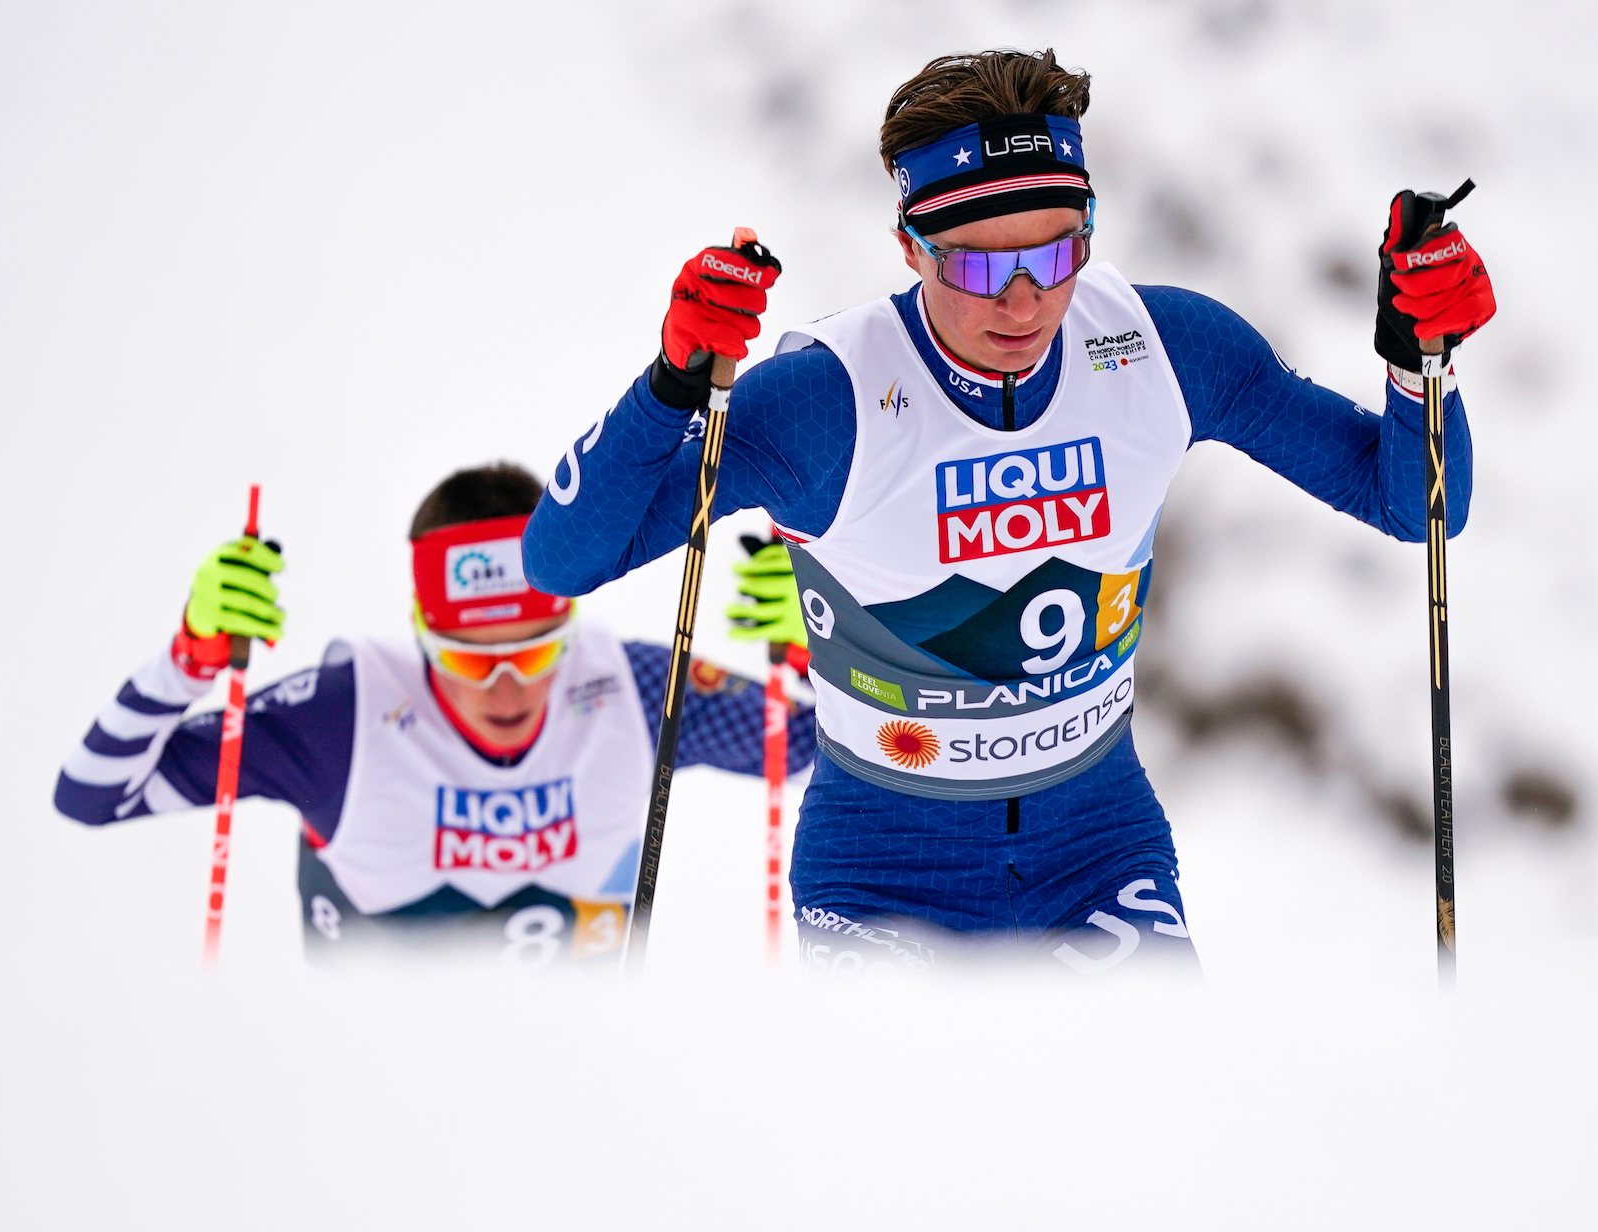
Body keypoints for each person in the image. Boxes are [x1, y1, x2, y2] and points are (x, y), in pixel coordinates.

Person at [521, 49, 1493, 978]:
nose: (1025, 303)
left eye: (1057, 254)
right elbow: (561, 558)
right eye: (981, 269)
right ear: (910, 246)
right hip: (884, 872)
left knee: (1163, 1094)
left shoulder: (1164, 348)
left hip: (1099, 852)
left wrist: (1420, 359)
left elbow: (1412, 507)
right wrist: (672, 384)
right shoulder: (828, 403)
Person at [55, 462, 817, 971]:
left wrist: (821, 635)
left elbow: (820, 745)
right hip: (378, 1095)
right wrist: (189, 656)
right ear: (422, 633)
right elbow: (94, 793)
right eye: (469, 660)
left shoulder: (630, 687)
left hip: (574, 1085)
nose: (506, 689)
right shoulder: (344, 712)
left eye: (537, 652)